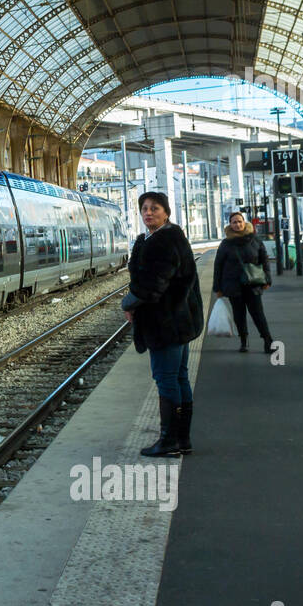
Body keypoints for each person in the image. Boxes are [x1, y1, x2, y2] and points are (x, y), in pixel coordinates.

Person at [122, 191, 204, 457]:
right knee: (179, 377)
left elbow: (152, 285)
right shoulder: (165, 237)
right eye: (144, 208)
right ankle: (182, 439)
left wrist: (128, 303)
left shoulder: (162, 241)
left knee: (166, 379)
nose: (148, 212)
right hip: (178, 319)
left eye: (155, 208)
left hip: (165, 321)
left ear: (166, 212)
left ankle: (169, 441)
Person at [212, 211, 276, 352]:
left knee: (258, 314)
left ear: (244, 222)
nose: (237, 224)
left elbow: (264, 260)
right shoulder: (226, 244)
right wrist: (217, 288)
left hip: (253, 283)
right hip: (233, 285)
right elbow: (218, 266)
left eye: (240, 221)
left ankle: (268, 341)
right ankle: (243, 341)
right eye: (234, 222)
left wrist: (267, 279)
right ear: (230, 224)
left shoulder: (255, 240)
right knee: (239, 315)